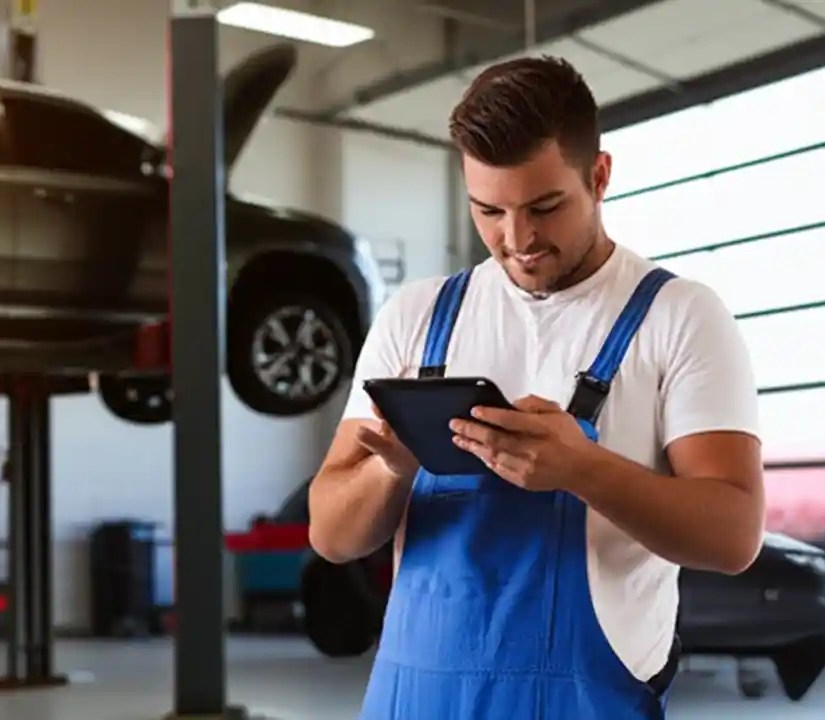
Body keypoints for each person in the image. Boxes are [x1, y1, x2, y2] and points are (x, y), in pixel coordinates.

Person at [308, 56, 765, 719]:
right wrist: (394, 470)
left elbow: (734, 536)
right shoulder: (418, 318)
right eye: (487, 210)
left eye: (545, 207)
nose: (517, 239)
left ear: (599, 176)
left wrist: (583, 469)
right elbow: (331, 534)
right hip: (414, 701)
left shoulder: (679, 318)